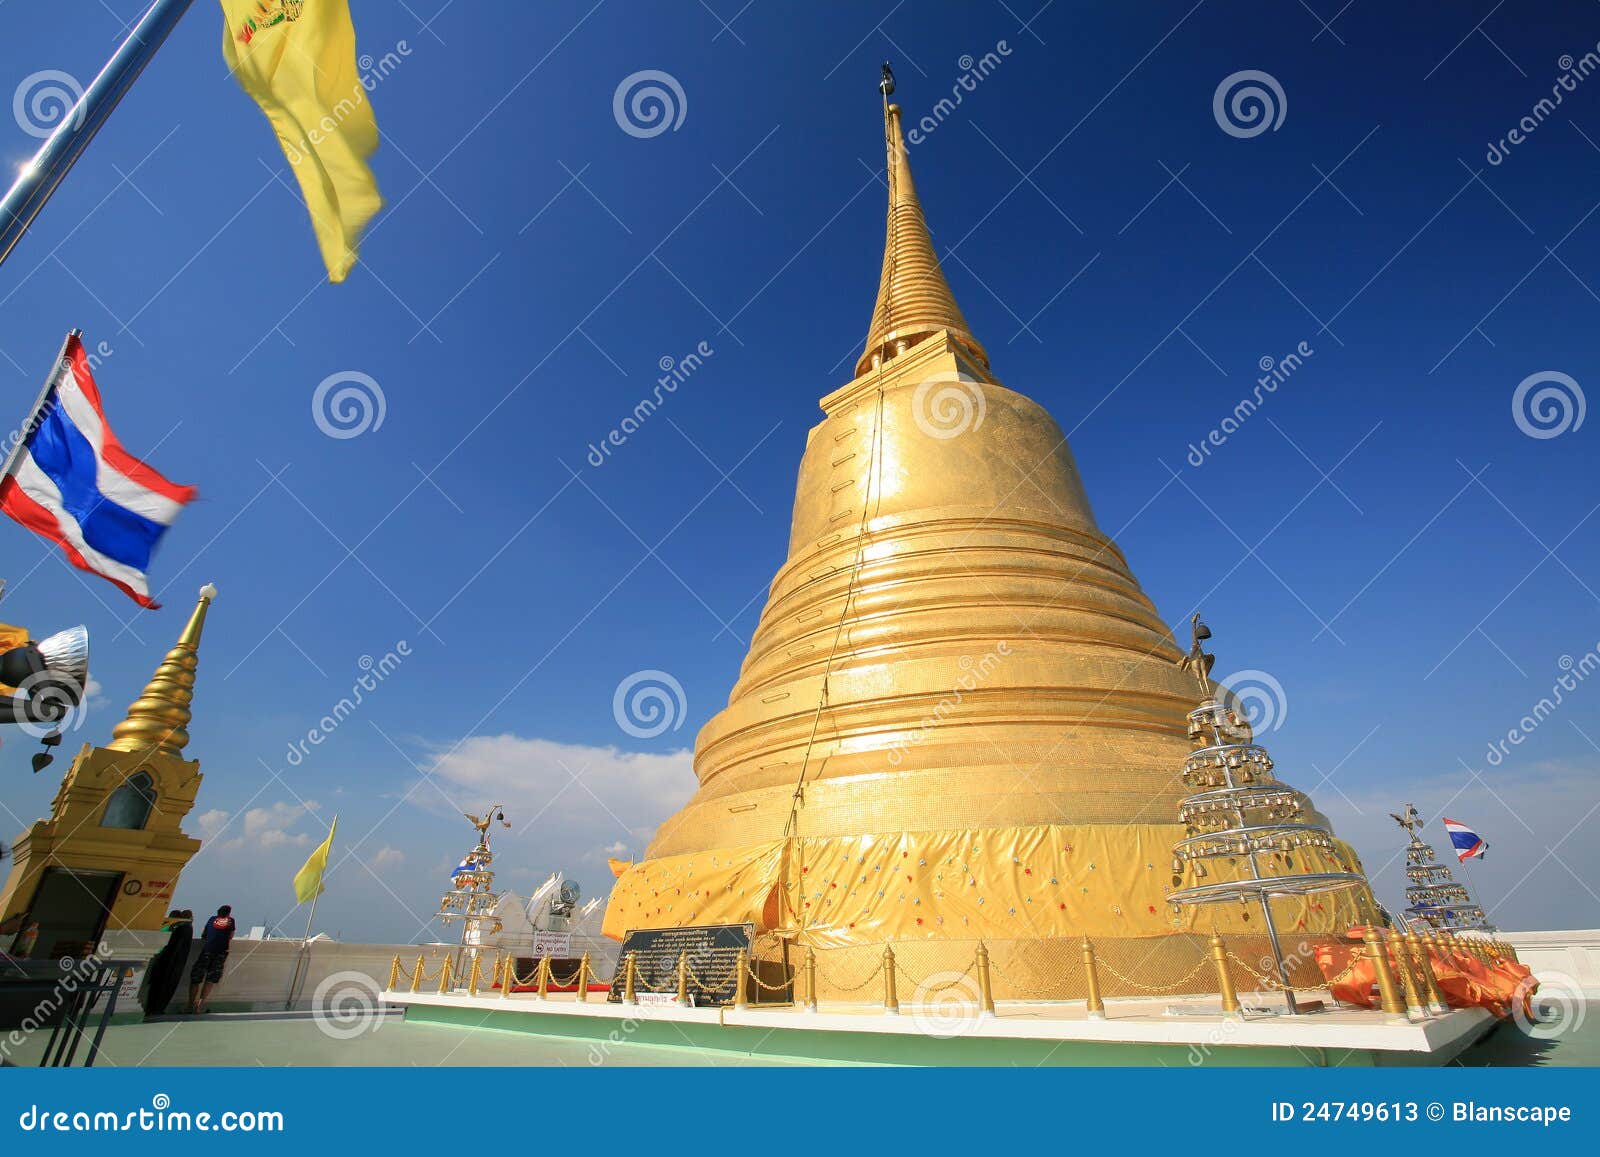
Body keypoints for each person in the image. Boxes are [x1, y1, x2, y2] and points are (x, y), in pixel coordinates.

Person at [142, 909, 193, 1018]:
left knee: (156, 986)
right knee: (166, 987)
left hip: (161, 961)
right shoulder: (187, 929)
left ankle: (151, 1008)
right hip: (174, 966)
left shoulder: (171, 927)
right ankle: (158, 1009)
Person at [186, 905, 235, 1014]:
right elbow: (230, 936)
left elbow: (204, 934)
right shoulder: (231, 921)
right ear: (228, 913)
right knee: (210, 980)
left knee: (196, 978)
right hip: (221, 953)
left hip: (207, 951)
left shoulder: (212, 919)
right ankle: (199, 1006)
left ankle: (190, 1005)